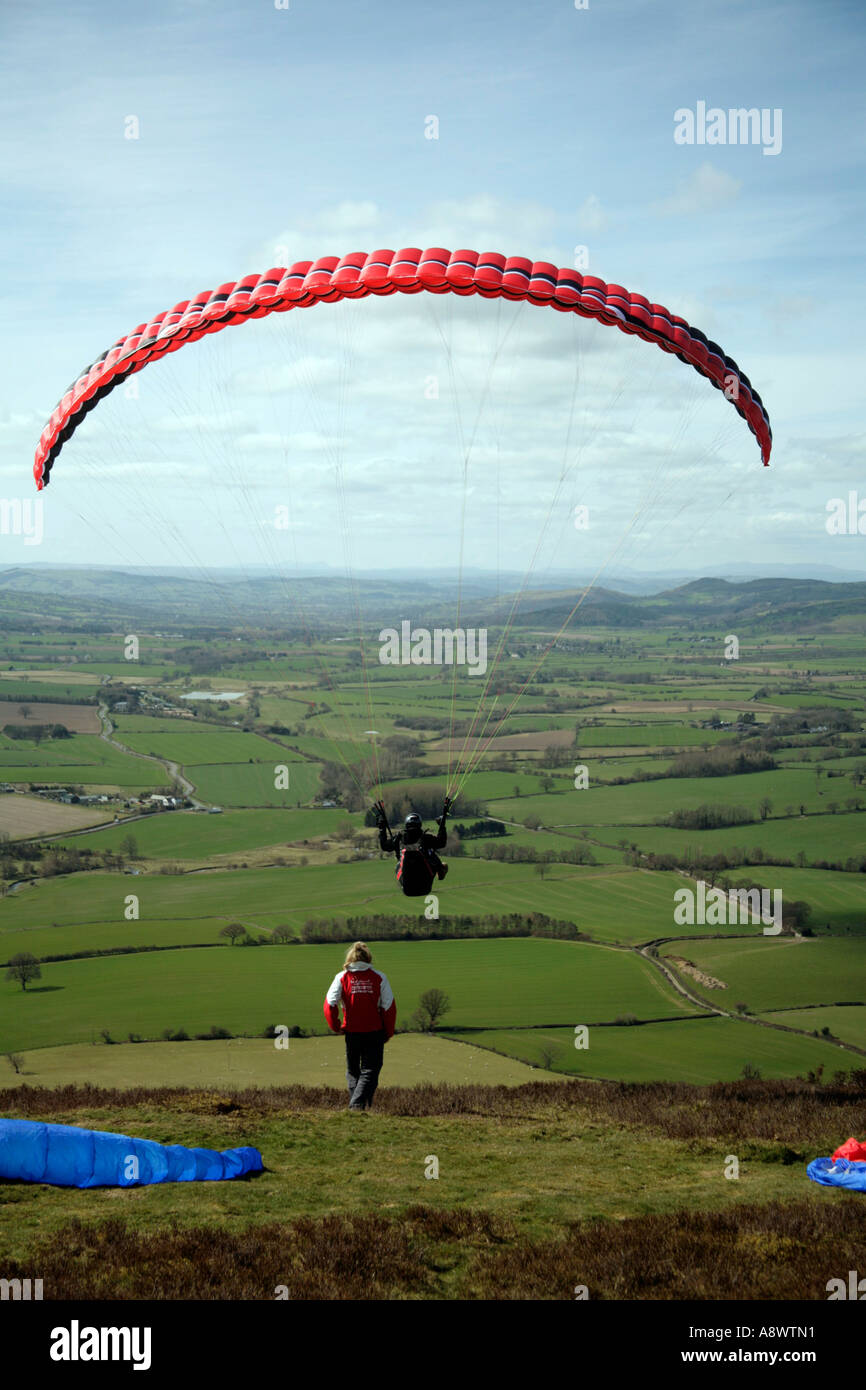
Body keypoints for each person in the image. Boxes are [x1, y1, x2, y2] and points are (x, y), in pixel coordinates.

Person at [323, 941, 395, 1111]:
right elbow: (389, 1007)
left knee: (353, 1072)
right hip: (374, 1032)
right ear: (368, 958)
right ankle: (356, 1106)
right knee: (370, 1071)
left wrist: (336, 1025)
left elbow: (329, 1004)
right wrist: (388, 1032)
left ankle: (361, 1109)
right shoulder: (379, 977)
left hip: (352, 1032)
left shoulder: (341, 977)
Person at [376, 803, 450, 896]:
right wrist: (442, 825)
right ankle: (440, 869)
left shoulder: (399, 838)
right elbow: (441, 842)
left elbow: (384, 846)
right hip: (425, 888)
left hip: (408, 890)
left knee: (399, 864)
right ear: (420, 825)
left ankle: (440, 868)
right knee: (430, 853)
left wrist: (382, 829)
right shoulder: (425, 838)